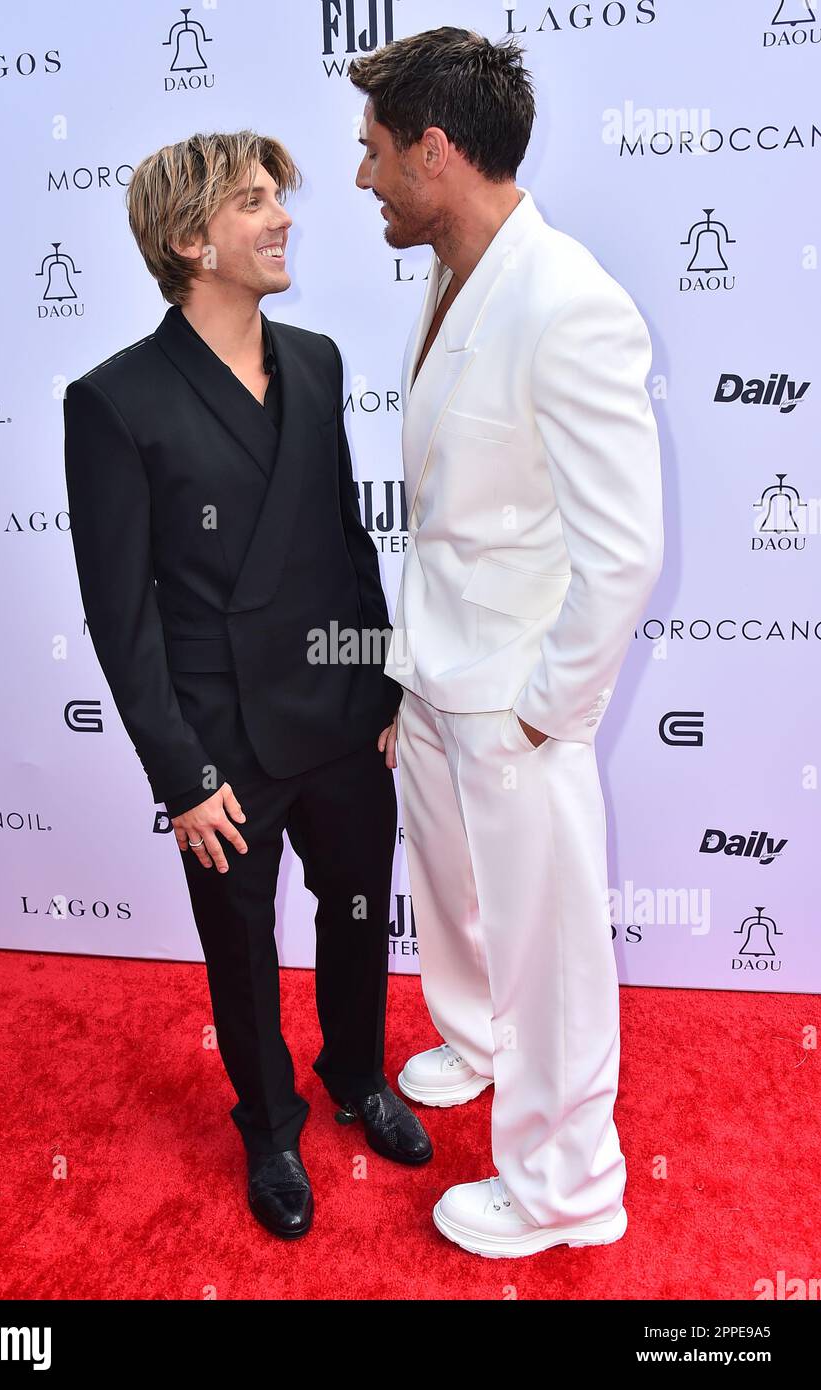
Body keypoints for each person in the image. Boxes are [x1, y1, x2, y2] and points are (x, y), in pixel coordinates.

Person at [62, 130, 431, 1242]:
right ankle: (269, 1125)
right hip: (220, 738)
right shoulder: (114, 400)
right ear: (190, 239)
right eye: (255, 204)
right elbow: (122, 618)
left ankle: (358, 1072)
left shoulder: (316, 361)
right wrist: (181, 774)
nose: (283, 220)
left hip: (338, 708)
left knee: (360, 906)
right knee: (239, 944)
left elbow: (345, 540)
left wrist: (381, 686)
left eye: (279, 198)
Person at [350, 29, 664, 1258]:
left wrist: (548, 708)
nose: (364, 178)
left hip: (517, 698)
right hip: (437, 673)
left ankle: (568, 1188)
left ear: (438, 152)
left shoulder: (569, 300)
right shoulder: (451, 268)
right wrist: (414, 680)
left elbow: (623, 549)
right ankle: (473, 1038)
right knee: (456, 900)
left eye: (376, 154)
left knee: (554, 953)